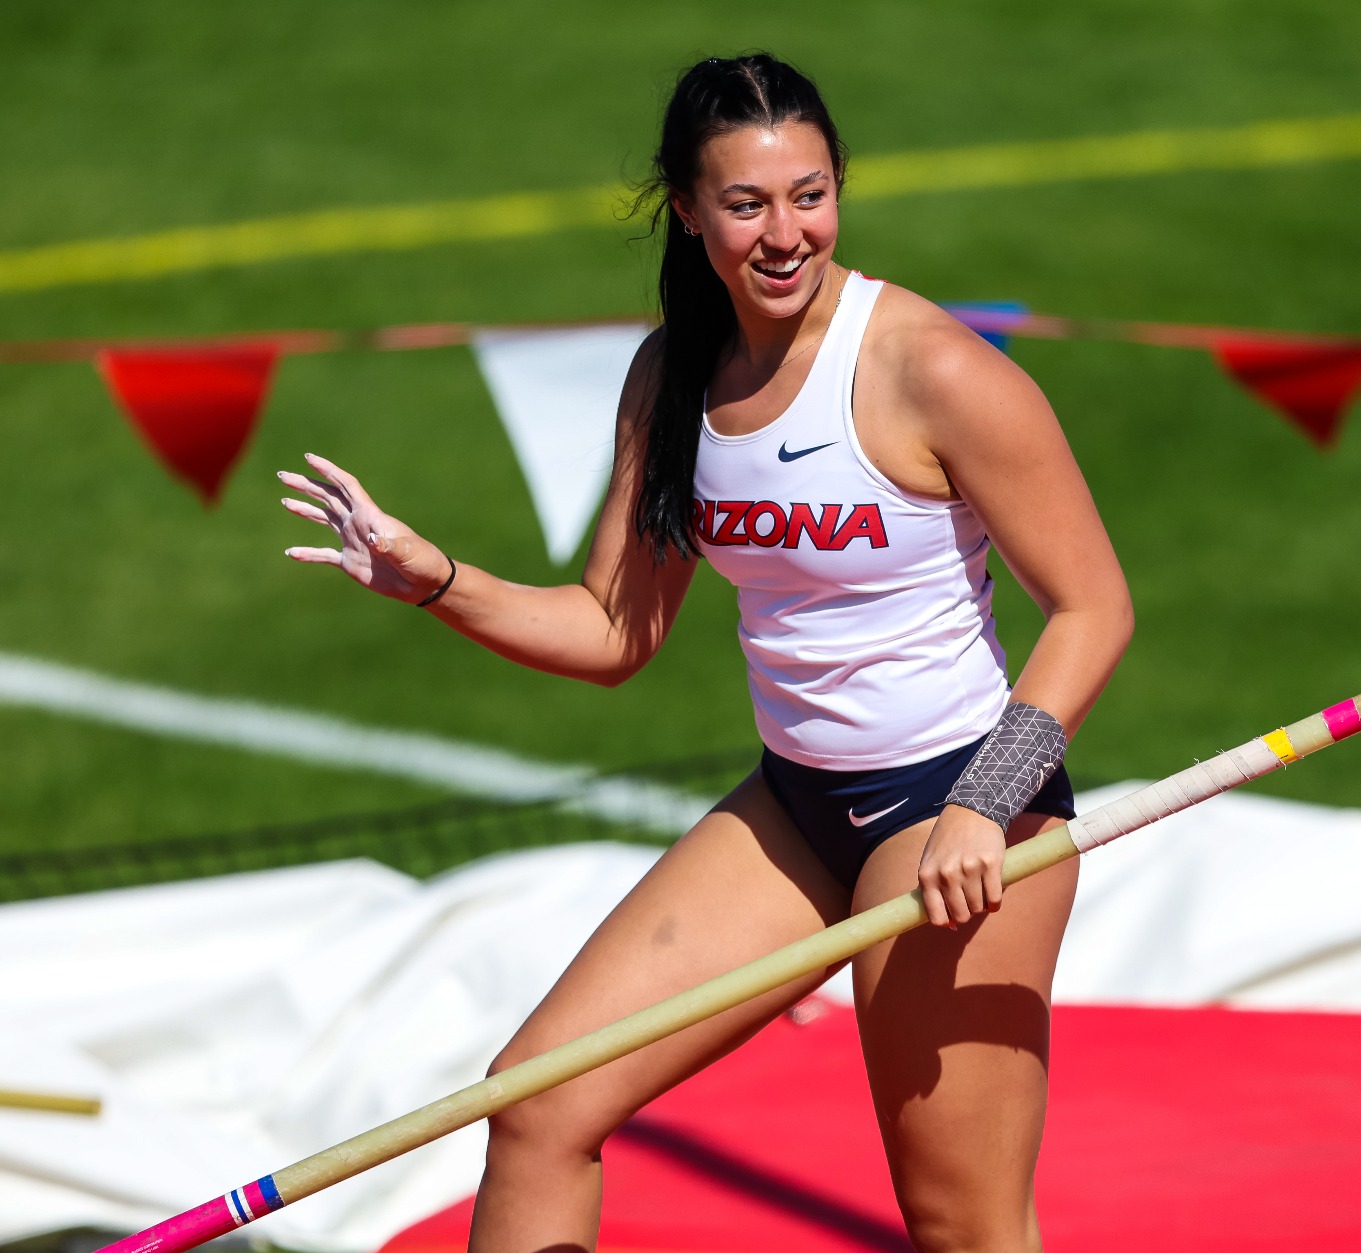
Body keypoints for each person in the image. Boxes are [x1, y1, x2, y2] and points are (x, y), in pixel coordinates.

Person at [278, 53, 1131, 1253]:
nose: (786, 234)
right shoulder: (672, 376)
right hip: (795, 806)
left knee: (960, 1220)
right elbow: (614, 630)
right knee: (535, 1106)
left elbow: (1093, 608)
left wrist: (983, 809)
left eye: (810, 195)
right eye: (747, 204)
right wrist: (440, 582)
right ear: (686, 209)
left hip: (964, 806)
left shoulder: (930, 368)